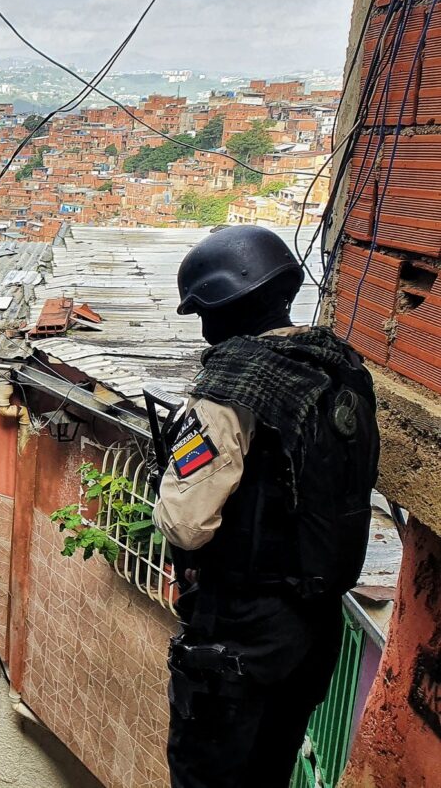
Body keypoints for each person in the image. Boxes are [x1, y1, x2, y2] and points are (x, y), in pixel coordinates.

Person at [154, 225, 379, 788]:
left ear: (219, 308)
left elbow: (186, 523)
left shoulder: (233, 385)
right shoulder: (341, 368)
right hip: (313, 628)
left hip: (241, 630)